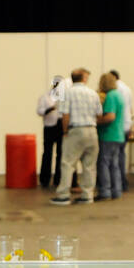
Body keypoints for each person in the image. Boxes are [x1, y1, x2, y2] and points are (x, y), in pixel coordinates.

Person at [50, 69, 101, 206]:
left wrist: (65, 131)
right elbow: (99, 114)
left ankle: (63, 195)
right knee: (89, 165)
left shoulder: (68, 93)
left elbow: (65, 114)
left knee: (68, 164)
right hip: (92, 130)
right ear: (84, 78)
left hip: (76, 130)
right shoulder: (93, 93)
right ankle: (87, 195)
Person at [95, 72, 126, 201]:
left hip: (108, 135)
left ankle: (105, 191)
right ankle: (116, 190)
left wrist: (95, 121)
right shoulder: (119, 95)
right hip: (118, 135)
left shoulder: (111, 96)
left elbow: (110, 116)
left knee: (103, 163)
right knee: (114, 165)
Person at [36, 75, 64, 189]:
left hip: (60, 125)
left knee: (60, 153)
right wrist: (50, 109)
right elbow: (39, 111)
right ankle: (45, 179)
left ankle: (58, 179)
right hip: (49, 126)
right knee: (47, 153)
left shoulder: (64, 97)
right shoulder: (45, 97)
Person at [111, 69, 133, 192]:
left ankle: (117, 184)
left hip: (116, 127)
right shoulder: (128, 89)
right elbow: (130, 108)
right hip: (126, 125)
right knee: (121, 154)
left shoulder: (114, 90)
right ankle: (123, 182)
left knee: (113, 157)